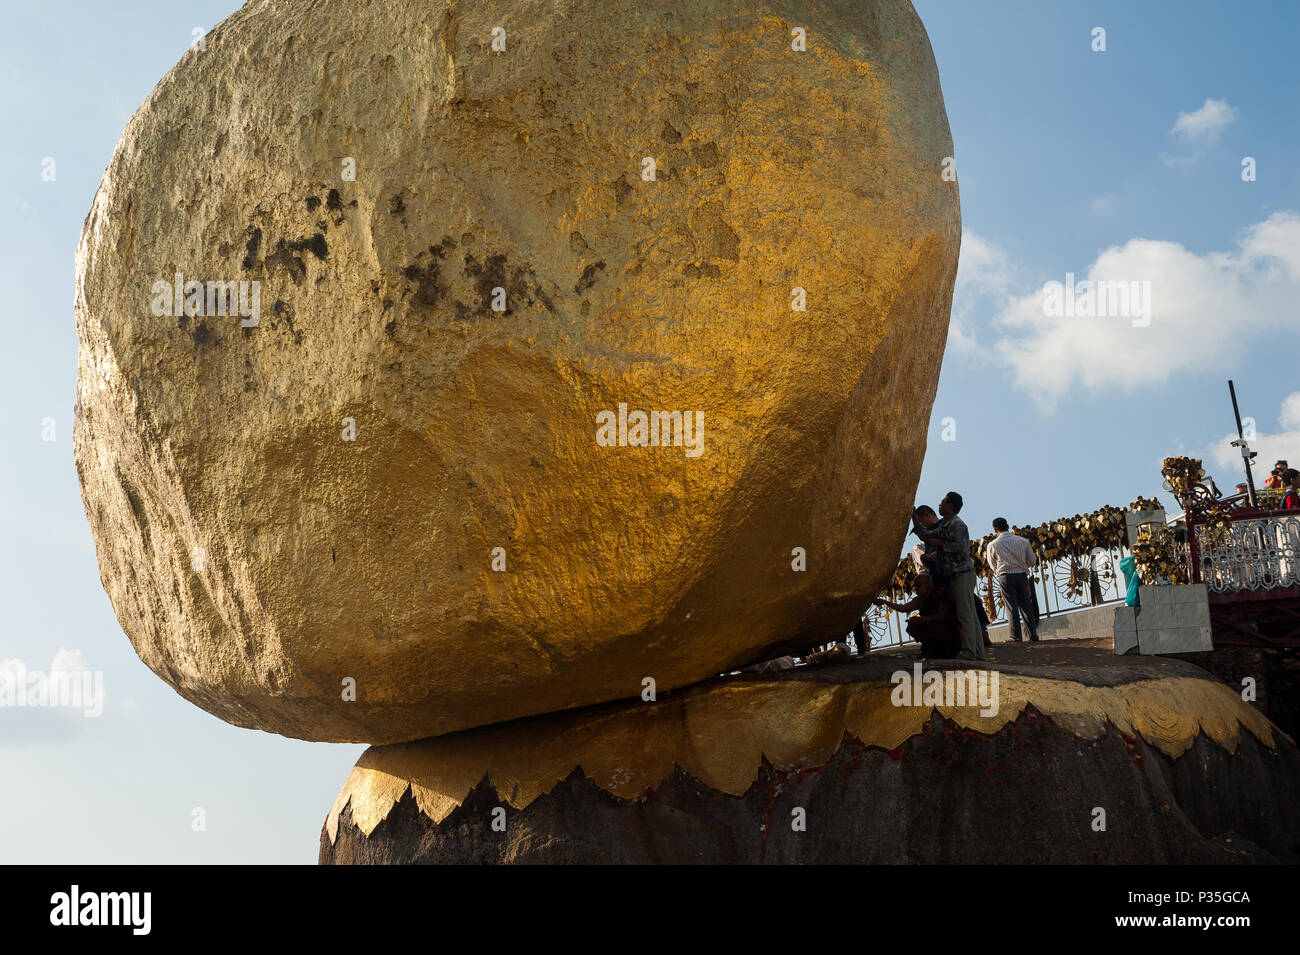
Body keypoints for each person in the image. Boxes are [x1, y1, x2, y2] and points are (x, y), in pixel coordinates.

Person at [912, 491, 984, 660]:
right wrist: (914, 519)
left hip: (962, 574)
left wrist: (941, 546)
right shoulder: (947, 524)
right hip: (957, 575)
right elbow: (928, 537)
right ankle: (978, 652)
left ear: (950, 506)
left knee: (965, 615)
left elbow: (960, 547)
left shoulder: (956, 525)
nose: (939, 505)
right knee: (970, 615)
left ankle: (969, 652)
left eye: (943, 502)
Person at [873, 573, 960, 659]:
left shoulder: (940, 594)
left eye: (918, 585)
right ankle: (931, 650)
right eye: (915, 586)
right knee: (912, 625)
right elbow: (903, 608)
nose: (916, 589)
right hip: (931, 627)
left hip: (949, 630)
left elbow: (941, 617)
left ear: (929, 585)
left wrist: (921, 619)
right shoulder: (919, 600)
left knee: (933, 626)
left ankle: (940, 651)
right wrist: (885, 602)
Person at [984, 517, 1041, 643]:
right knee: (1026, 605)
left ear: (995, 529)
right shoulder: (1023, 541)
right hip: (1021, 575)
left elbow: (992, 564)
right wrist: (1022, 565)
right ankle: (1033, 636)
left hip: (1005, 576)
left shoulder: (992, 545)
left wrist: (999, 571)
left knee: (1011, 606)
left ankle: (1015, 636)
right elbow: (1032, 560)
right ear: (1008, 526)